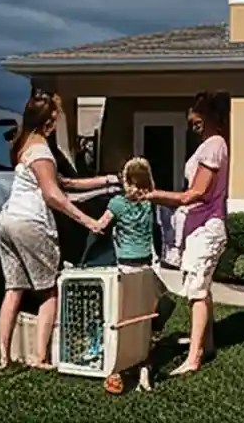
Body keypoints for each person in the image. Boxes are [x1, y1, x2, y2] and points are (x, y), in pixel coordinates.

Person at [0, 89, 118, 372]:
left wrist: (108, 180)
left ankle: (4, 357)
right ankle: (40, 358)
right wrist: (88, 222)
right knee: (49, 291)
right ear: (46, 122)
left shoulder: (25, 146)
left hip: (7, 221)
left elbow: (65, 183)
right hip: (30, 223)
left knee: (13, 289)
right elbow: (53, 195)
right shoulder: (41, 150)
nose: (56, 124)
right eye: (54, 119)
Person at [145, 90, 230, 377]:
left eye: (195, 116)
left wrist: (152, 195)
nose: (191, 121)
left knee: (196, 292)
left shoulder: (214, 145)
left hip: (207, 229)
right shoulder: (210, 145)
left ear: (208, 115)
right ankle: (206, 345)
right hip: (199, 228)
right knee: (201, 288)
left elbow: (195, 193)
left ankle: (193, 358)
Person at [89, 156, 169, 393]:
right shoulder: (149, 203)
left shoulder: (117, 203)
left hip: (126, 268)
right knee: (144, 320)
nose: (132, 188)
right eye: (131, 183)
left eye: (135, 183)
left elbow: (100, 226)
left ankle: (119, 368)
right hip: (146, 267)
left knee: (123, 319)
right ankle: (144, 370)